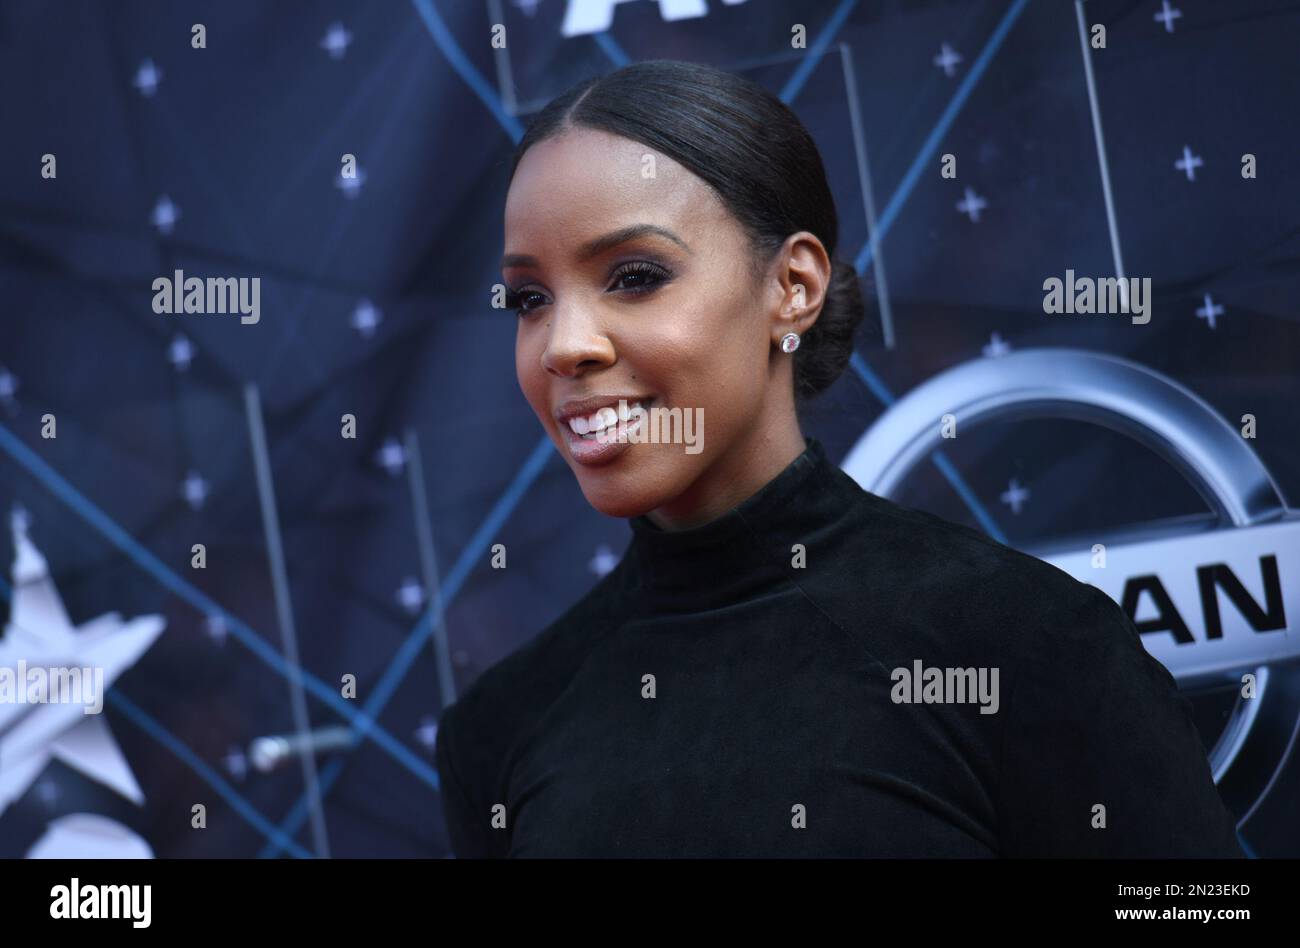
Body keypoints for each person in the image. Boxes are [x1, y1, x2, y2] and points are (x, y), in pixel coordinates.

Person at [434, 59, 1244, 858]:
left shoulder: (1028, 643)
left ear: (793, 285)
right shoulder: (502, 727)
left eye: (636, 276)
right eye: (529, 299)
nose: (565, 346)